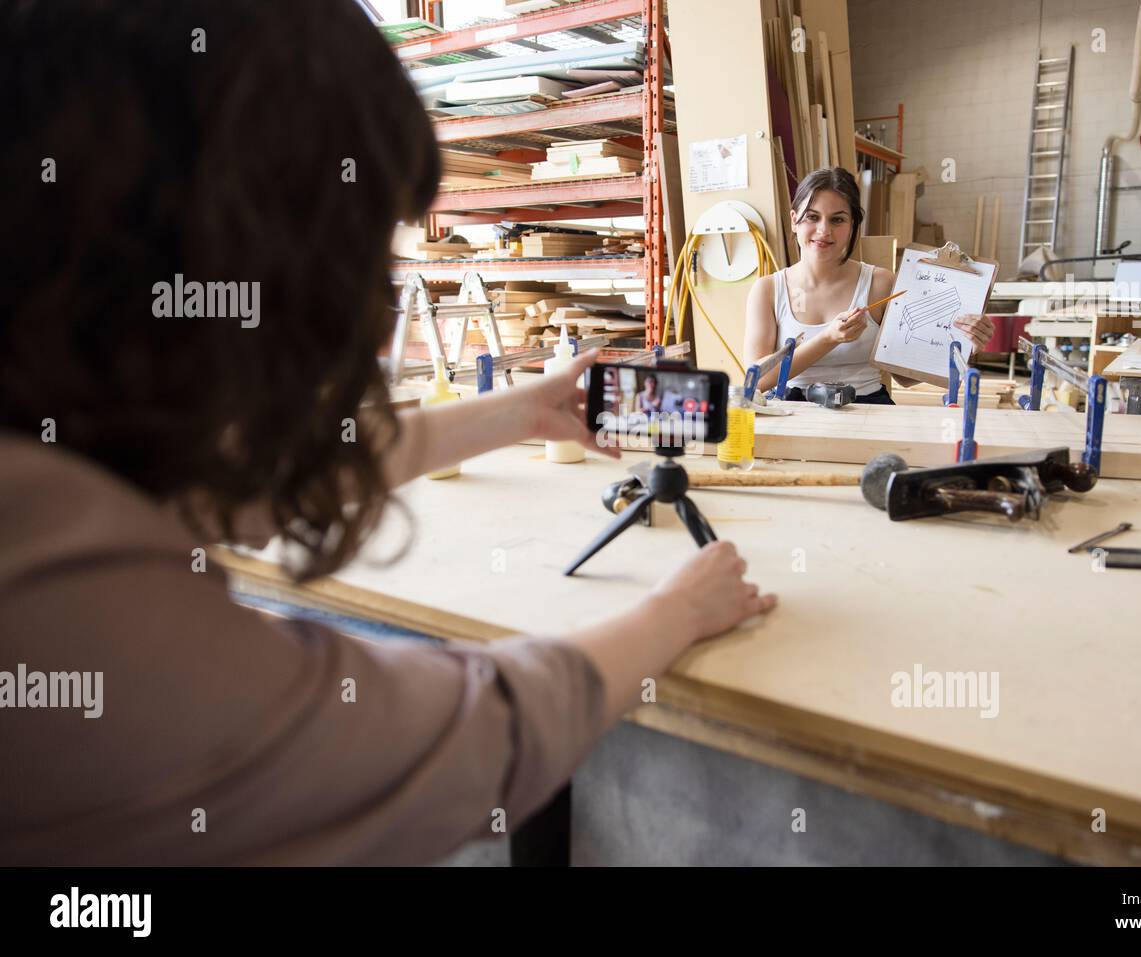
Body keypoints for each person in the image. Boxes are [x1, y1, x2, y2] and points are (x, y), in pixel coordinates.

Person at [0, 0, 775, 865]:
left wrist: (520, 410)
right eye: (354, 263)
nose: (370, 330)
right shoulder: (76, 623)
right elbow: (483, 736)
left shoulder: (57, 462)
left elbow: (234, 487)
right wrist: (676, 612)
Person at [743, 167, 995, 402]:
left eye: (838, 220)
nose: (824, 230)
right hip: (792, 408)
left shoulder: (879, 283)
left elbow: (905, 377)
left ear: (853, 225)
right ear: (794, 220)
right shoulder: (768, 290)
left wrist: (964, 346)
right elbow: (757, 380)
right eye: (812, 217)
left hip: (868, 405)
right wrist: (828, 338)